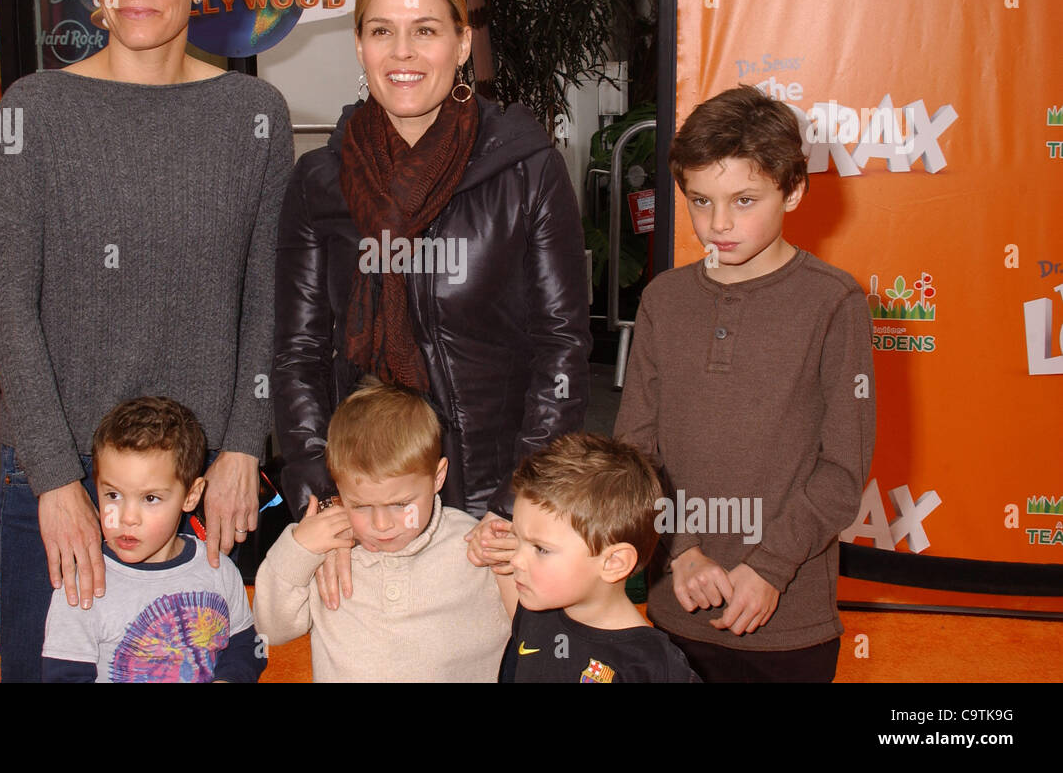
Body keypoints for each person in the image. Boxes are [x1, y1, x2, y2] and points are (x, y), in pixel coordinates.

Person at [0, 0, 292, 682]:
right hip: (61, 472)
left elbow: (268, 298)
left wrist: (242, 444)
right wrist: (55, 478)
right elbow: (7, 304)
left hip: (199, 483)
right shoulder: (33, 110)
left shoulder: (253, 117)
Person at [272, 0, 591, 608]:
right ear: (359, 45)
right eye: (381, 31)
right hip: (369, 507)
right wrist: (324, 498)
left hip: (491, 509)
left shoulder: (526, 168)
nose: (403, 53)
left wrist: (518, 500)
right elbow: (299, 354)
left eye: (425, 30)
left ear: (462, 43)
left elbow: (561, 345)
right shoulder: (319, 181)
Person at [613, 84, 875, 682]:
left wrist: (771, 567)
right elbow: (634, 453)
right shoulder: (663, 299)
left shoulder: (834, 302)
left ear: (794, 190)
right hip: (677, 603)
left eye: (745, 200)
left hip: (790, 618)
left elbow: (843, 470)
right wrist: (681, 550)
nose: (719, 224)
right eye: (700, 201)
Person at [253, 379, 510, 681]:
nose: (381, 524)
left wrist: (515, 552)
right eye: (361, 506)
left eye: (400, 504)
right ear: (337, 487)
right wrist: (297, 551)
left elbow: (532, 630)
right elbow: (272, 630)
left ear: (437, 477)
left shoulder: (473, 546)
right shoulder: (323, 550)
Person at [42, 397, 264, 682]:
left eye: (150, 498)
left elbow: (247, 647)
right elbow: (63, 676)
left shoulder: (218, 570)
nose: (128, 518)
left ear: (191, 496)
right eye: (113, 495)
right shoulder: (82, 584)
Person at [496, 433, 700, 683]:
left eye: (541, 549)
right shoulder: (539, 611)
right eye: (516, 537)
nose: (516, 560)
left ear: (614, 562)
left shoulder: (651, 666)